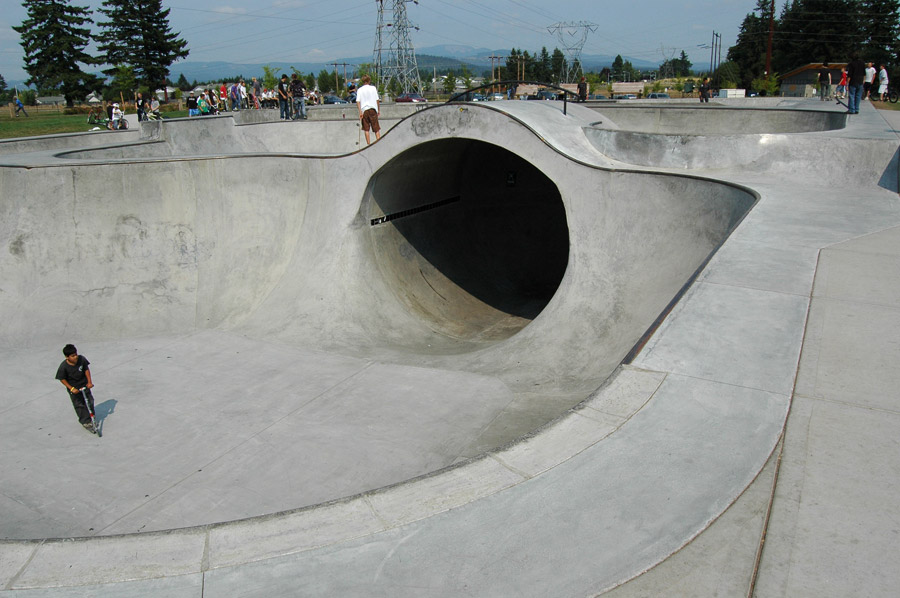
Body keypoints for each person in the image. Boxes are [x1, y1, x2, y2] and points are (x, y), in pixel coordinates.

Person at [55, 344, 97, 432]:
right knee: (79, 405)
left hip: (84, 385)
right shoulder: (63, 367)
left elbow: (86, 369)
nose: (76, 357)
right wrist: (71, 388)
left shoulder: (81, 359)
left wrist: (89, 382)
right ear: (67, 357)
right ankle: (85, 422)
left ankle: (92, 417)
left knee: (90, 400)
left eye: (76, 354)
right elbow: (62, 379)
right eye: (73, 356)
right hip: (74, 388)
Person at [356, 74, 381, 144]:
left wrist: (360, 112)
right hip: (373, 109)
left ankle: (368, 144)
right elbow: (377, 100)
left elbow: (358, 101)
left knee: (366, 129)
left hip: (364, 110)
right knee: (376, 128)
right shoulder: (373, 88)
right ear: (369, 81)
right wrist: (378, 110)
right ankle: (378, 143)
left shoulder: (360, 90)